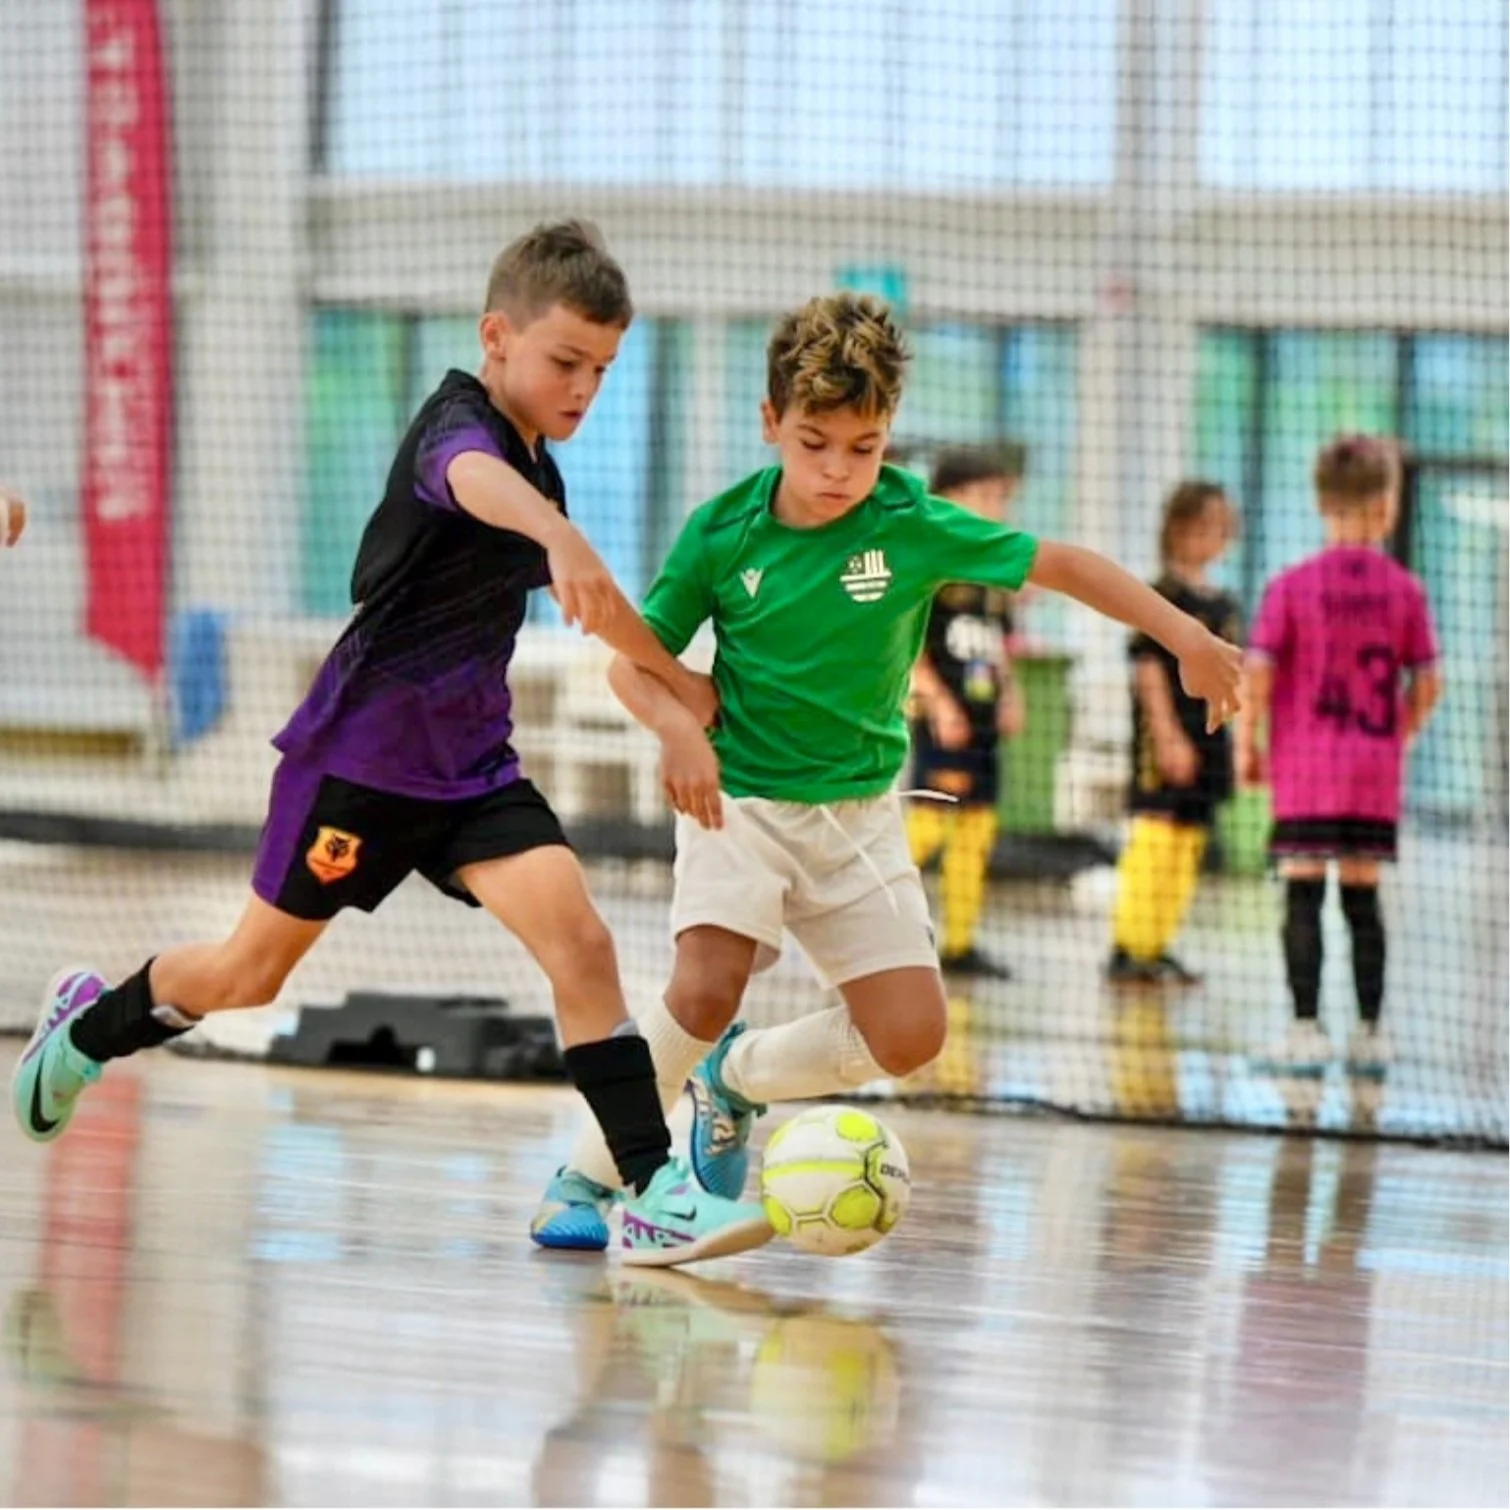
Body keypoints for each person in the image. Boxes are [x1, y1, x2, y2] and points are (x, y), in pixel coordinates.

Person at [13, 220, 769, 1267]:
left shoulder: (546, 478)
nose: (584, 387)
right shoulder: (456, 429)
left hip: (472, 773)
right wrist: (555, 535)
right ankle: (91, 1026)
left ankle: (650, 1189)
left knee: (583, 943)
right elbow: (469, 479)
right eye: (565, 361)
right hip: (359, 764)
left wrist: (680, 681)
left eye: (602, 368)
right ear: (496, 336)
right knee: (245, 977)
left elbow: (594, 606)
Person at [532, 291, 1242, 1247]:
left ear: (889, 436)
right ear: (771, 422)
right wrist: (678, 732)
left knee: (911, 1038)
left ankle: (732, 1082)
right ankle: (582, 1181)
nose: (837, 470)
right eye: (815, 441)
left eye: (863, 448)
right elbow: (634, 666)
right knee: (702, 991)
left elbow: (1063, 566)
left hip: (859, 817)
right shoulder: (722, 533)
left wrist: (1187, 633)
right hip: (738, 799)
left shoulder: (909, 522)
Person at [1240, 435, 1441, 1075]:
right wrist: (1399, 734)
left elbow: (1261, 675)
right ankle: (1372, 1034)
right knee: (1363, 895)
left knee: (1302, 890)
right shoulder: (1406, 589)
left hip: (1305, 769)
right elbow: (1430, 682)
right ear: (1386, 507)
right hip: (1372, 773)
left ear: (1322, 502)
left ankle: (1305, 1031)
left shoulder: (1291, 586)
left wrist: (1250, 745)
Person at [1106, 481, 1241, 986]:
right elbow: (1147, 669)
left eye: (1224, 528)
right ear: (1177, 529)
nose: (1215, 537)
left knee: (1188, 845)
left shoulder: (1225, 604)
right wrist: (1166, 735)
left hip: (1211, 741)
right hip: (1165, 739)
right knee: (1155, 839)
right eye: (1205, 526)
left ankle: (1158, 944)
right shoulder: (1160, 597)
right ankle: (1129, 946)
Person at [906, 445, 1026, 979]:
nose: (997, 507)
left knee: (977, 831)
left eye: (1002, 498)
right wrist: (938, 702)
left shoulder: (992, 573)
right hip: (943, 720)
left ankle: (960, 944)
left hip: (983, 723)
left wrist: (1012, 692)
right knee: (928, 827)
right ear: (948, 497)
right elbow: (905, 646)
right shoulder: (928, 562)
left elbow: (997, 646)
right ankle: (860, 921)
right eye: (986, 496)